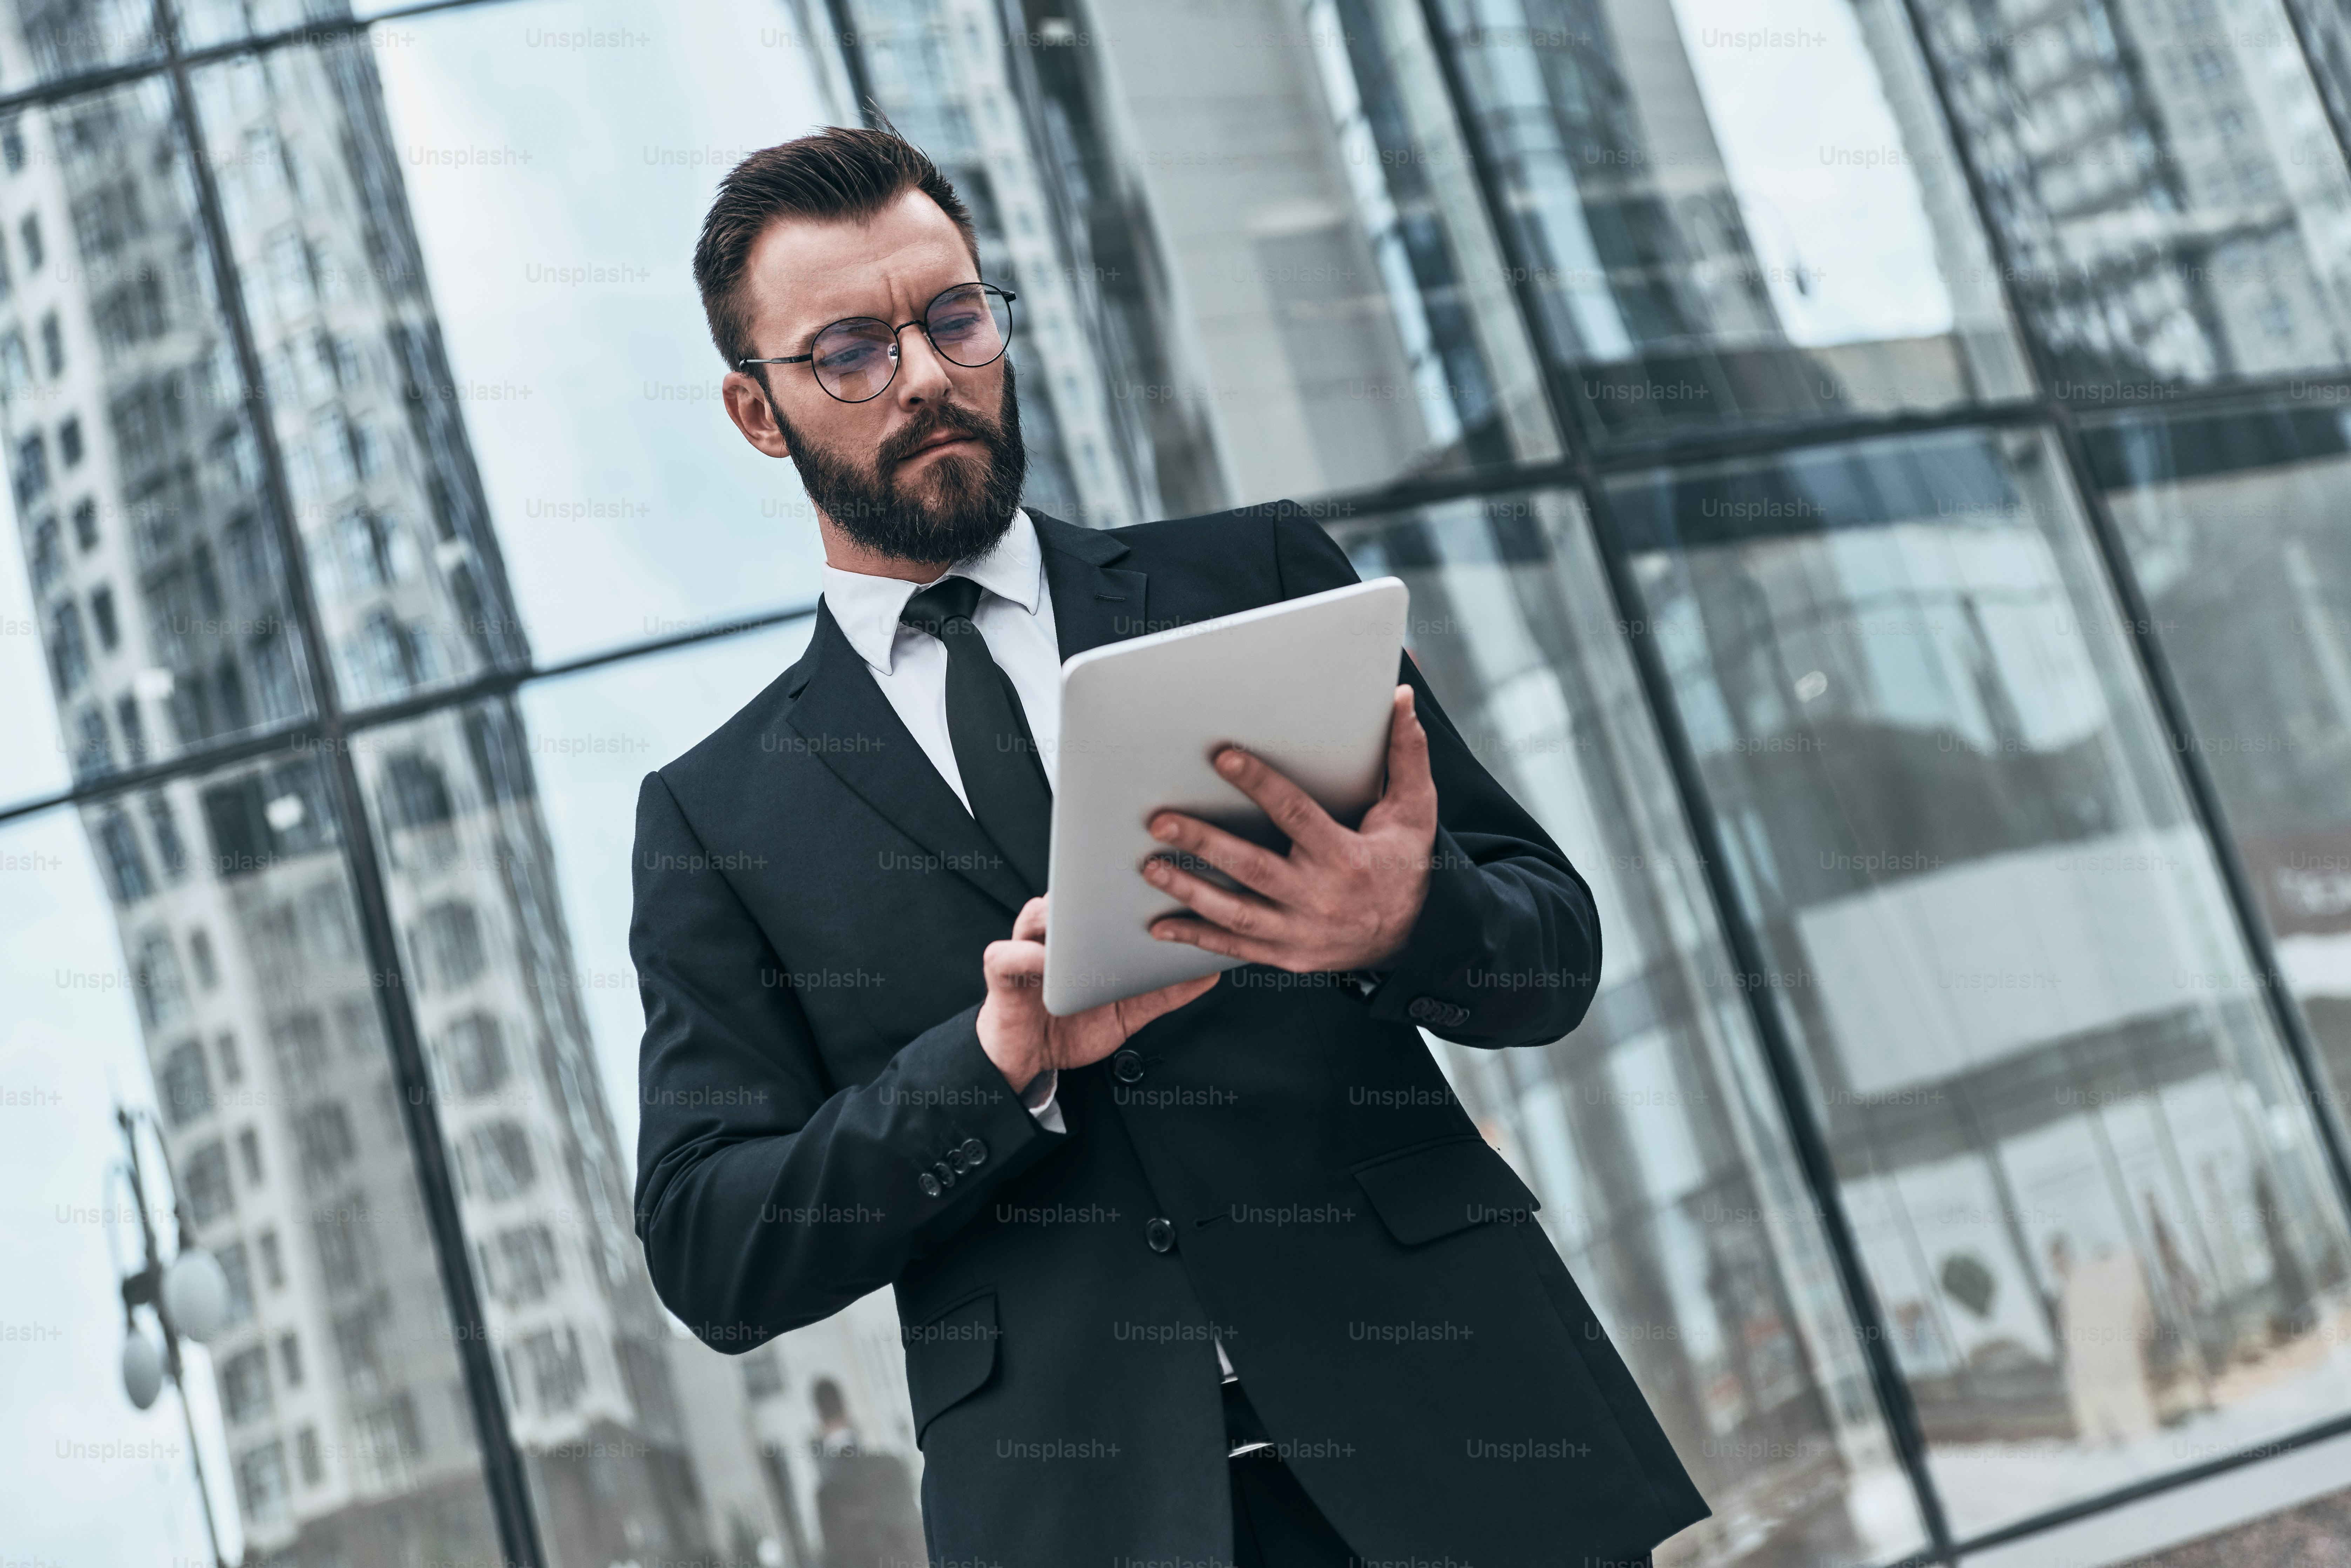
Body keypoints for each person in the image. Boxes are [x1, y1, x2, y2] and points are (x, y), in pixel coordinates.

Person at [630, 123, 1707, 1568]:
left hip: (1463, 1431)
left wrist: (1406, 920)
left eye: (953, 318)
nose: (930, 375)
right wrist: (990, 1066)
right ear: (757, 413)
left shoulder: (1250, 577)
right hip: (1085, 1516)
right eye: (850, 351)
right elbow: (712, 1245)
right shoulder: (717, 812)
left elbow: (1549, 945)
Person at [808, 1378, 924, 1568]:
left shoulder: (827, 1494)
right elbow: (916, 1532)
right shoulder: (891, 1465)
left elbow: (837, 1559)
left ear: (820, 1424)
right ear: (847, 1411)